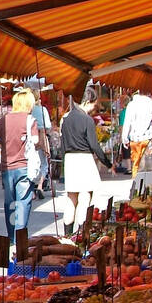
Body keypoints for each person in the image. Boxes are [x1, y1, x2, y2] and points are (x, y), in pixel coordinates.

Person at [60, 89, 111, 234]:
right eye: (94, 105)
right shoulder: (87, 120)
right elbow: (94, 145)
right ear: (88, 102)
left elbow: (62, 145)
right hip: (84, 159)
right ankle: (81, 234)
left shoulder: (66, 118)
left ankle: (67, 235)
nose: (94, 108)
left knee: (71, 199)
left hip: (70, 159)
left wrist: (64, 166)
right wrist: (108, 163)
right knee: (85, 198)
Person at [0, 89, 39, 237]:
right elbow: (36, 141)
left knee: (10, 203)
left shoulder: (4, 120)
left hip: (7, 167)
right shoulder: (29, 120)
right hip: (24, 166)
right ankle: (20, 237)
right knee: (23, 202)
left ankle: (12, 237)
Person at [120, 90, 152, 175]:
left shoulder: (131, 105)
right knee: (150, 166)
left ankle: (137, 185)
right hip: (149, 139)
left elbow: (127, 123)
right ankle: (149, 185)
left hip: (135, 139)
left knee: (137, 165)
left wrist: (124, 139)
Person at [29, 89, 51, 200]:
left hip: (30, 139)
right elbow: (48, 126)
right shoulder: (43, 110)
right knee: (44, 163)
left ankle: (31, 189)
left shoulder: (29, 110)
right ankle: (41, 185)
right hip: (41, 136)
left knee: (31, 164)